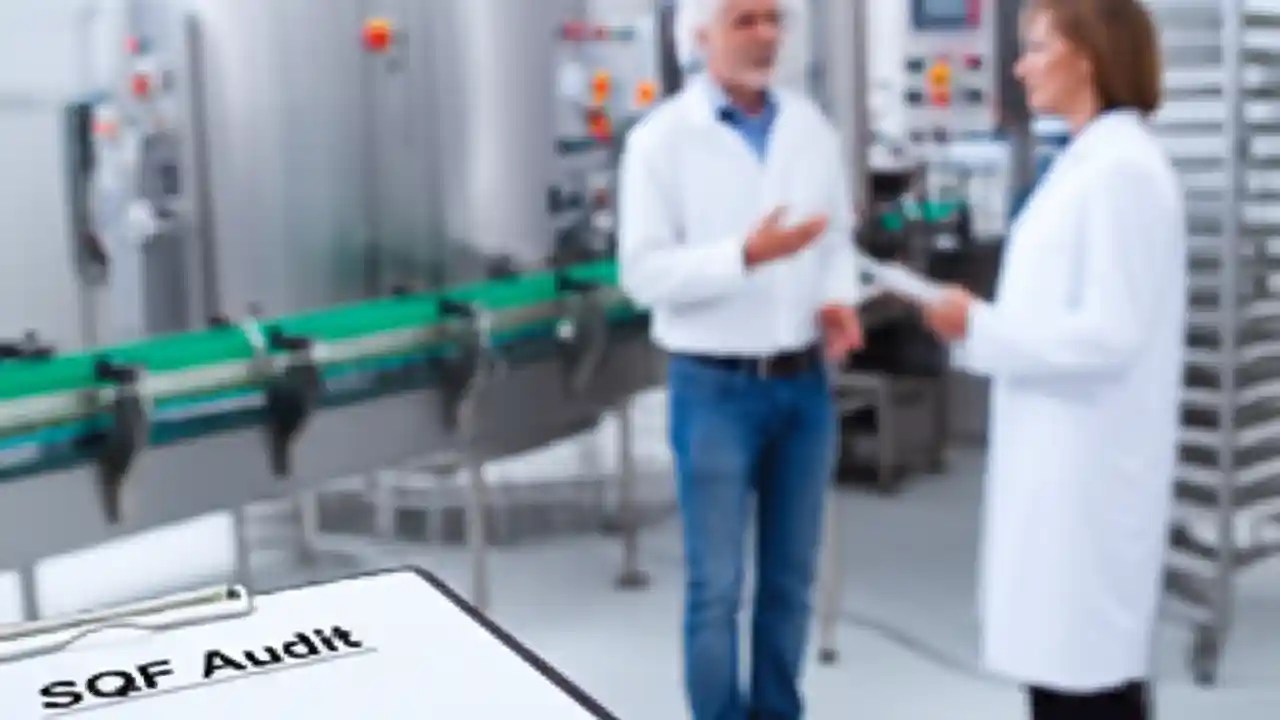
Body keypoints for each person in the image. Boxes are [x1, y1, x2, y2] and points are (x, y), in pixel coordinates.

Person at [917, 1, 1184, 718]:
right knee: (1071, 682)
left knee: (1089, 690)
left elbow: (1109, 334)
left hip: (1088, 479)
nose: (1019, 65)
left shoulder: (1122, 172)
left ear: (1086, 57)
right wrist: (980, 329)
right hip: (1063, 466)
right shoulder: (1089, 161)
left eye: (1036, 48)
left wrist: (980, 326)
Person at [616, 0, 864, 717]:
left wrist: (836, 301)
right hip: (714, 389)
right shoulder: (661, 142)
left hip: (803, 389)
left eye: (772, 19)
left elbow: (834, 240)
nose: (765, 35)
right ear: (700, 35)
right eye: (743, 20)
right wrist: (744, 257)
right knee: (716, 587)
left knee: (789, 583)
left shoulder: (809, 128)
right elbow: (644, 275)